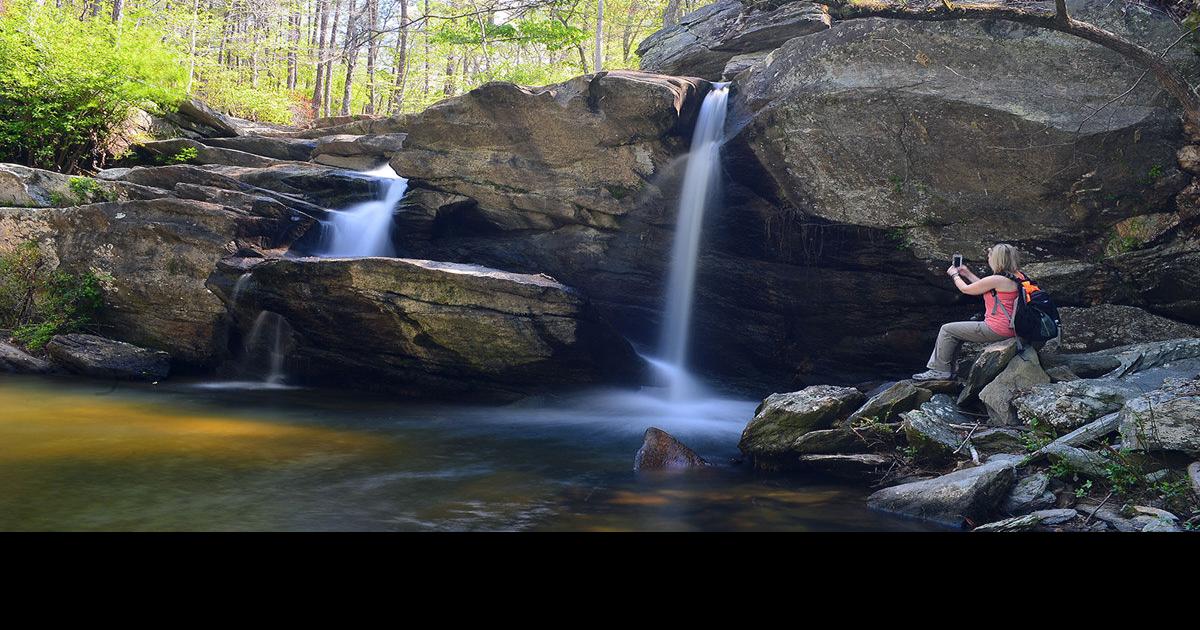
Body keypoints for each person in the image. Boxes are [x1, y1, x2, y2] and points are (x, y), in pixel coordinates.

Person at [912, 243, 1023, 381]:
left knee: (947, 330)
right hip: (1013, 327)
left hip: (998, 329)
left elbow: (966, 289)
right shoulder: (1017, 277)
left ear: (997, 259)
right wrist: (967, 273)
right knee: (957, 332)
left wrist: (955, 275)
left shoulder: (997, 279)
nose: (988, 259)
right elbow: (986, 287)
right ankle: (949, 370)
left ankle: (940, 371)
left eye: (989, 256)